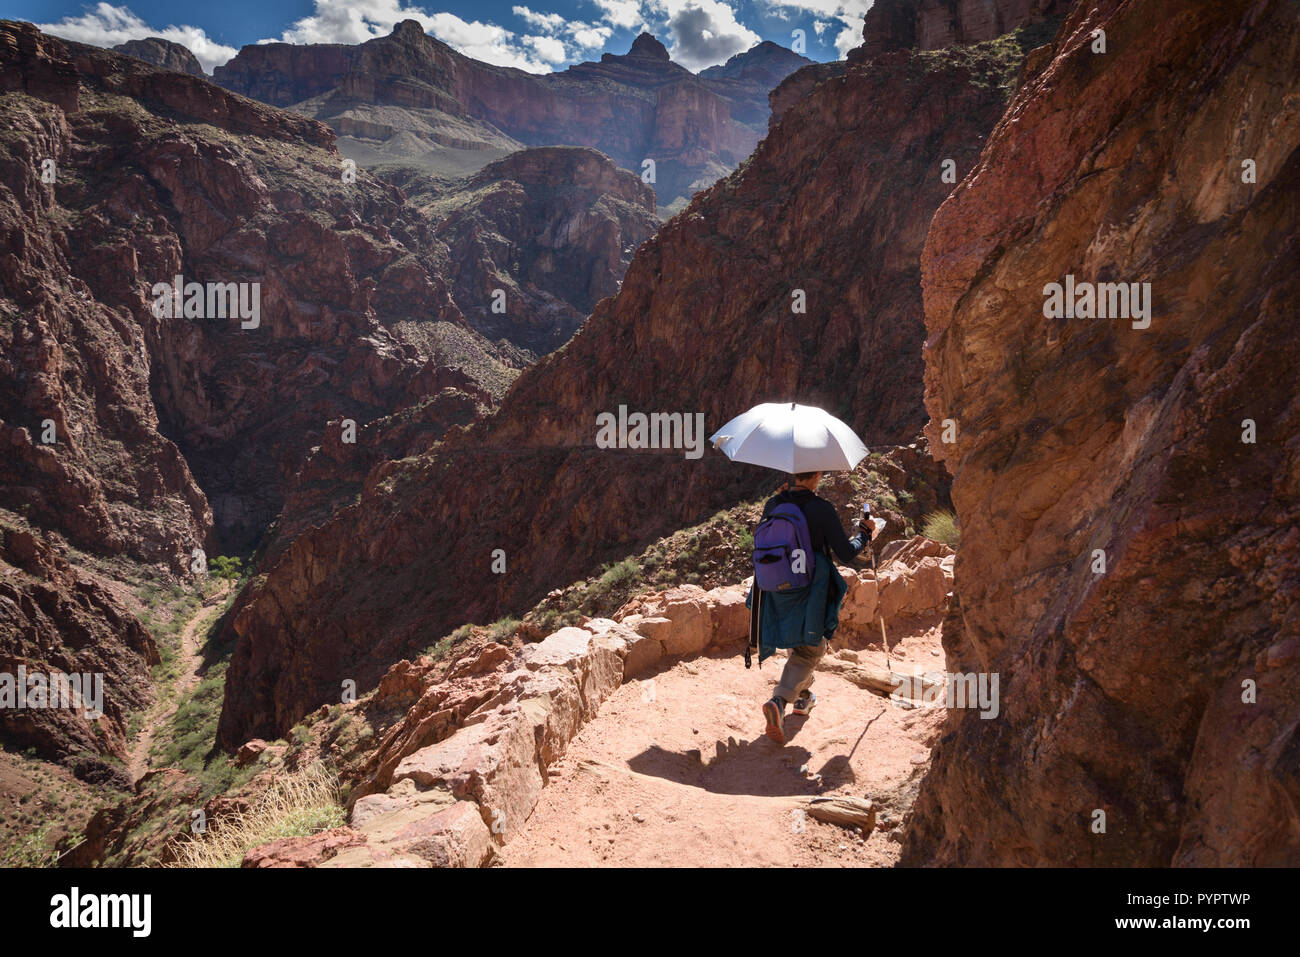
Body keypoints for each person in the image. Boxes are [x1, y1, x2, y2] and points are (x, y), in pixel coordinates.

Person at [750, 470, 875, 744]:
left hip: (775, 588)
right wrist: (864, 535)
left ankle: (803, 699)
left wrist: (781, 499)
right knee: (810, 649)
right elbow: (845, 552)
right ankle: (779, 701)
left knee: (797, 643)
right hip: (810, 590)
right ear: (817, 474)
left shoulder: (774, 504)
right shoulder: (821, 509)